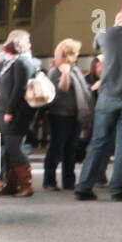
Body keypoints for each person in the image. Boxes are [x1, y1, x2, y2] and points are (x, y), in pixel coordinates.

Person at [75, 0, 122, 201]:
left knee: (99, 141)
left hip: (107, 96)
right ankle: (118, 189)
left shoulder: (104, 33)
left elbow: (97, 46)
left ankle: (84, 186)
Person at [43, 38, 87, 190]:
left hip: (75, 115)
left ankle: (69, 181)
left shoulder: (75, 69)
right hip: (59, 115)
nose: (78, 54)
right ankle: (49, 181)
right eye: (76, 52)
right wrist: (65, 74)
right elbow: (59, 91)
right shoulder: (57, 70)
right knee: (56, 147)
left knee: (71, 149)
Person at [0, 30, 35, 197]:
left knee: (15, 148)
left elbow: (19, 88)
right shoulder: (13, 62)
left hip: (15, 114)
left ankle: (26, 184)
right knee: (10, 149)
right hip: (7, 113)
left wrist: (10, 111)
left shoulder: (22, 63)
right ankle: (11, 184)